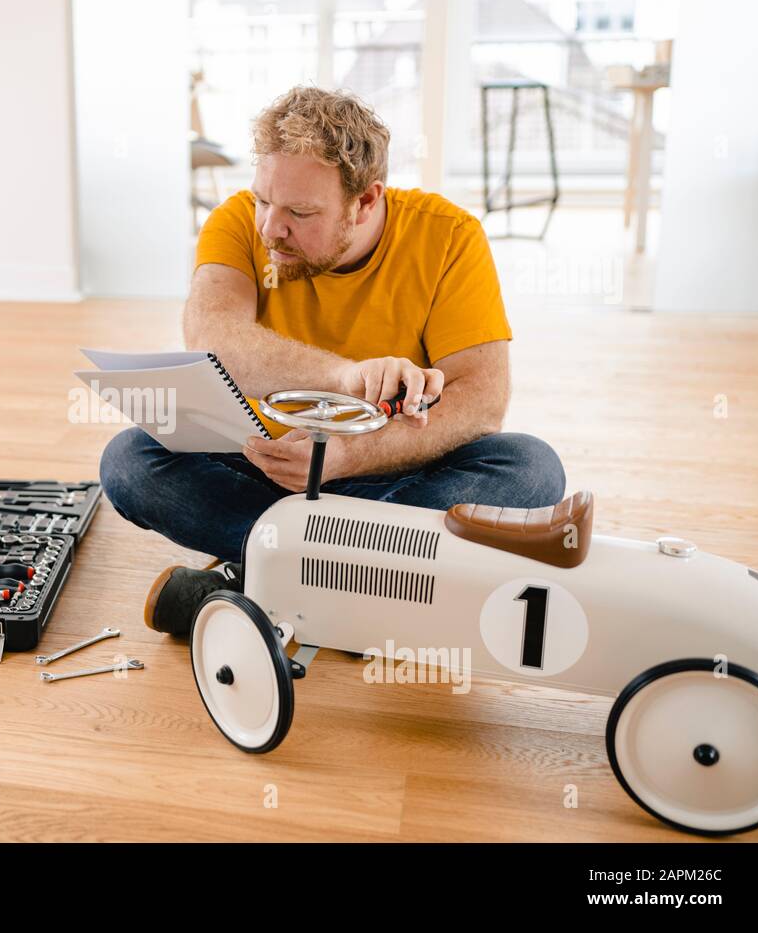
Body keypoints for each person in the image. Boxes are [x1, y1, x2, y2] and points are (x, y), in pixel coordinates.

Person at [99, 86, 566, 635]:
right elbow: (213, 337)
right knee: (132, 459)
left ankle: (269, 576)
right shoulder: (236, 223)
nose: (271, 227)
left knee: (532, 468)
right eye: (262, 201)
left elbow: (482, 401)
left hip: (391, 466)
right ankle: (369, 583)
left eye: (299, 212)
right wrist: (344, 376)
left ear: (366, 200)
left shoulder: (449, 237)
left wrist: (345, 455)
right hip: (270, 465)